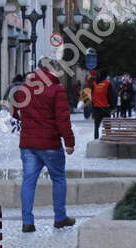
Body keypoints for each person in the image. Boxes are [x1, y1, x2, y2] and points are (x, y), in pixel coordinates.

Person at [12, 63, 75, 234]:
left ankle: (27, 222)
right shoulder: (56, 90)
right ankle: (60, 218)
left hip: (28, 144)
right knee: (58, 178)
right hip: (50, 144)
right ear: (51, 70)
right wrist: (69, 142)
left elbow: (15, 113)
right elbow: (63, 119)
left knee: (28, 181)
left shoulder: (23, 89)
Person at [90, 72, 112, 139]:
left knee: (96, 126)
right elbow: (111, 96)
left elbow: (92, 96)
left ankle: (95, 139)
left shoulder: (94, 84)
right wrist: (112, 107)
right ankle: (108, 138)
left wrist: (93, 106)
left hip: (97, 108)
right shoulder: (107, 83)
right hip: (106, 108)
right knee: (107, 126)